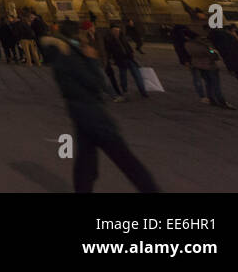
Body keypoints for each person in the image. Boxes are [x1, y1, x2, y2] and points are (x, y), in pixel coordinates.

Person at [42, 21, 159, 193]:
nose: (90, 34)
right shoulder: (70, 55)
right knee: (126, 161)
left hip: (79, 111)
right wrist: (91, 61)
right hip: (92, 114)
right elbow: (95, 83)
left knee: (86, 163)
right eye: (86, 31)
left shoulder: (63, 53)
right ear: (77, 33)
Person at [185, 19, 230, 108]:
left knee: (208, 83)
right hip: (209, 65)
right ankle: (221, 101)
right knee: (215, 84)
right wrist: (214, 54)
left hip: (198, 65)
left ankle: (211, 99)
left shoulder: (187, 45)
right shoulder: (203, 44)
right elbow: (211, 53)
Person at [103, 25, 147, 99]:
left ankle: (143, 91)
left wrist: (131, 52)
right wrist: (111, 59)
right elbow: (108, 51)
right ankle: (124, 89)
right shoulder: (109, 40)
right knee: (123, 76)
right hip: (120, 60)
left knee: (137, 75)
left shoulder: (122, 37)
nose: (117, 32)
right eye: (115, 31)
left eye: (118, 30)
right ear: (111, 31)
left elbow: (127, 46)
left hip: (129, 58)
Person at [171, 23, 205, 101]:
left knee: (197, 77)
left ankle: (202, 96)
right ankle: (205, 95)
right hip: (197, 59)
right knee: (202, 77)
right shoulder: (186, 37)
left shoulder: (177, 39)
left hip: (191, 60)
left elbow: (179, 51)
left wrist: (184, 61)